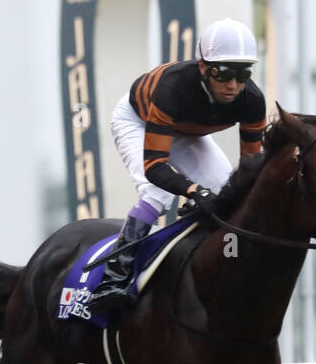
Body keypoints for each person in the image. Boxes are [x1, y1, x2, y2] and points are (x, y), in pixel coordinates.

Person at [86, 18, 268, 314]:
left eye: (243, 73)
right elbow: (155, 167)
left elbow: (249, 172)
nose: (233, 84)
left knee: (229, 192)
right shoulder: (172, 88)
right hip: (139, 120)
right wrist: (195, 191)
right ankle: (113, 278)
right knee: (158, 195)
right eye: (223, 73)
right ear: (203, 67)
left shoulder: (252, 101)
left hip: (187, 132)